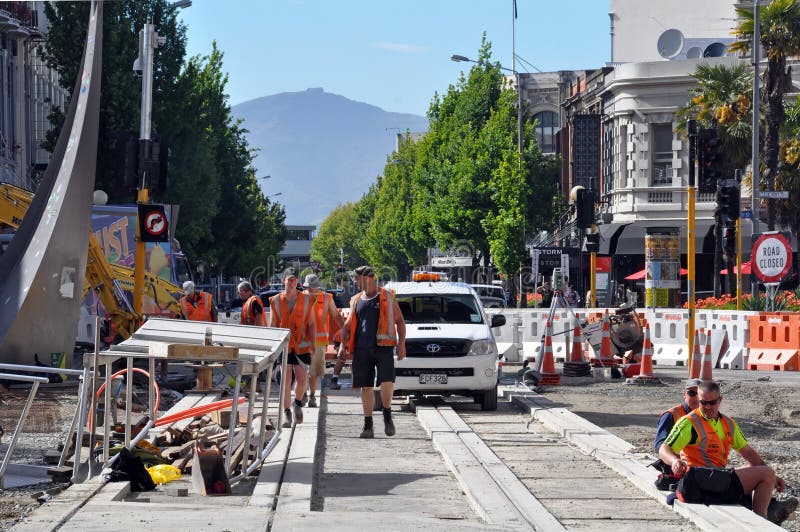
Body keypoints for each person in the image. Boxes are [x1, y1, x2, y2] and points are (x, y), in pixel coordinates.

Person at [659, 380, 797, 523]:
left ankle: (767, 511)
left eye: (712, 403)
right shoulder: (689, 422)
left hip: (717, 479)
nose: (707, 407)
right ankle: (762, 521)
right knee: (765, 473)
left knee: (763, 471)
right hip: (697, 481)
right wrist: (674, 460)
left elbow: (751, 456)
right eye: (703, 403)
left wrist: (773, 477)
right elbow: (664, 449)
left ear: (720, 400)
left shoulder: (728, 423)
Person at [339, 265, 406, 439]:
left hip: (384, 347)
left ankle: (387, 413)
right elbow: (347, 327)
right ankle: (368, 425)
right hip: (362, 349)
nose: (355, 281)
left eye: (357, 278)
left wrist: (401, 344)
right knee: (366, 387)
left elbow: (400, 321)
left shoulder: (387, 297)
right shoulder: (355, 300)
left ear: (368, 278)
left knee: (386, 382)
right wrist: (342, 346)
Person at [269, 268, 315, 428]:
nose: (292, 283)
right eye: (289, 280)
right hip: (284, 345)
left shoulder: (307, 300)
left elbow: (311, 323)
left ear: (298, 282)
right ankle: (286, 413)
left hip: (302, 345)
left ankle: (297, 402)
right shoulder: (275, 300)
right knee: (286, 381)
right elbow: (273, 323)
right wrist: (272, 345)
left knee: (302, 380)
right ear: (284, 281)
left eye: (294, 280)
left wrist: (314, 343)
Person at [304, 273, 343, 407]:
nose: (310, 290)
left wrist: (345, 329)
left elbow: (336, 316)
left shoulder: (326, 298)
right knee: (303, 370)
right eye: (308, 287)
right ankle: (303, 394)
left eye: (312, 287)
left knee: (313, 371)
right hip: (302, 340)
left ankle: (311, 395)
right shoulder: (300, 297)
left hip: (319, 341)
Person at [654, 379, 701, 453]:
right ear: (684, 394)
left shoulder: (708, 415)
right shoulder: (671, 415)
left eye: (700, 394)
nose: (696, 397)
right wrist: (673, 459)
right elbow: (659, 445)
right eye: (691, 393)